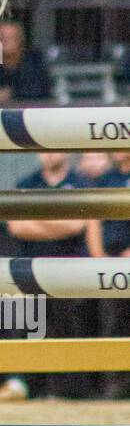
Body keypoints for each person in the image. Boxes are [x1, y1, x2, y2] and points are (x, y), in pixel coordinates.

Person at [8, 152, 94, 398]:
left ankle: (70, 393)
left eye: (53, 147)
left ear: (65, 150)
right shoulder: (26, 184)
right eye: (43, 149)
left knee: (70, 331)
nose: (48, 154)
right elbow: (17, 227)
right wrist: (59, 223)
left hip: (72, 274)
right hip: (31, 272)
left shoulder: (80, 183)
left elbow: (77, 225)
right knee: (31, 330)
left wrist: (37, 219)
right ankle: (29, 389)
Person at [86, 151, 130, 398]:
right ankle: (113, 387)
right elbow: (93, 219)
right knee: (111, 323)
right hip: (108, 262)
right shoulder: (106, 179)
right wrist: (98, 256)